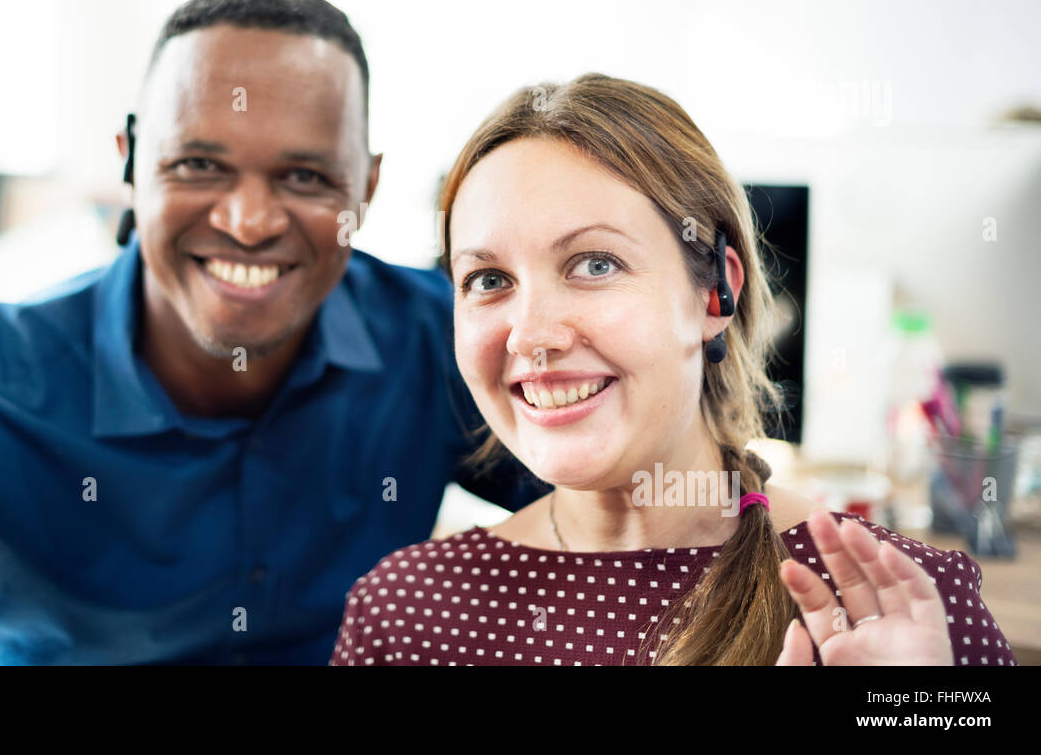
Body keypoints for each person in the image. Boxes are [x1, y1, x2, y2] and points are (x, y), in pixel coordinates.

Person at [0, 0, 541, 666]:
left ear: (364, 187)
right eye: (199, 164)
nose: (250, 220)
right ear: (130, 162)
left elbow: (636, 524)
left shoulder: (439, 340)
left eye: (304, 175)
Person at [331, 74, 1017, 666]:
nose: (532, 334)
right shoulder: (404, 614)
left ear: (716, 292)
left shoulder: (902, 607)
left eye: (595, 264)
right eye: (487, 278)